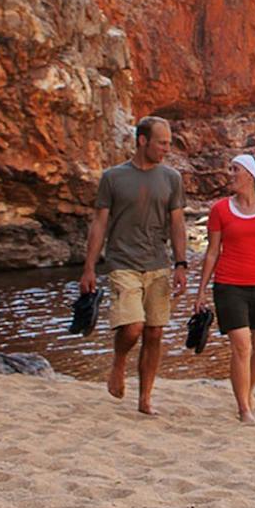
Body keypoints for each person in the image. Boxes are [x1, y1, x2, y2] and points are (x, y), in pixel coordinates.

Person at [80, 116, 187, 416]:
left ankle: (145, 398)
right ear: (143, 141)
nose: (167, 148)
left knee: (154, 333)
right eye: (162, 142)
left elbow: (177, 223)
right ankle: (118, 361)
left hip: (158, 263)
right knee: (134, 326)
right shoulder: (113, 178)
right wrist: (89, 267)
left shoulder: (171, 178)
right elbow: (99, 222)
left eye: (168, 142)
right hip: (122, 262)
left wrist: (181, 263)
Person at [195, 152, 255, 422]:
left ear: (250, 175)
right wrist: (201, 290)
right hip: (228, 285)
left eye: (235, 170)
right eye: (230, 169)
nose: (231, 174)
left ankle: (248, 390)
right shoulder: (220, 210)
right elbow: (212, 252)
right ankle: (244, 409)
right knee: (242, 345)